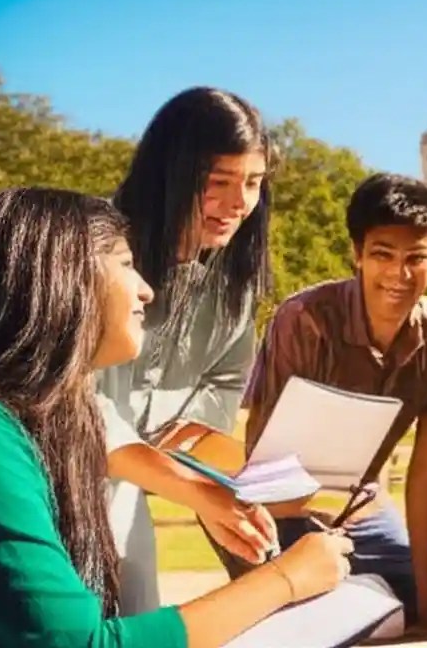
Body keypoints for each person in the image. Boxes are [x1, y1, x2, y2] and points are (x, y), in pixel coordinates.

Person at [0, 187, 351, 648]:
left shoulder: (43, 417)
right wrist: (285, 579)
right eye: (127, 264)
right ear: (60, 277)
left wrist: (208, 496)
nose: (146, 290)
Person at [230, 172, 427, 633]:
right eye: (382, 255)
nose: (400, 274)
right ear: (357, 254)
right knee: (321, 619)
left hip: (366, 510)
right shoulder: (304, 319)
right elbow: (260, 455)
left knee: (421, 603)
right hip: (282, 510)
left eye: (416, 257)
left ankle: (359, 588)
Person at [97, 86, 278, 614]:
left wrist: (204, 440)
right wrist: (196, 492)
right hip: (53, 479)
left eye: (252, 183)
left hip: (135, 482)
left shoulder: (236, 283)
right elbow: (83, 411)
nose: (239, 204)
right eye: (218, 182)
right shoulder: (94, 252)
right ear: (169, 175)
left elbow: (222, 383)